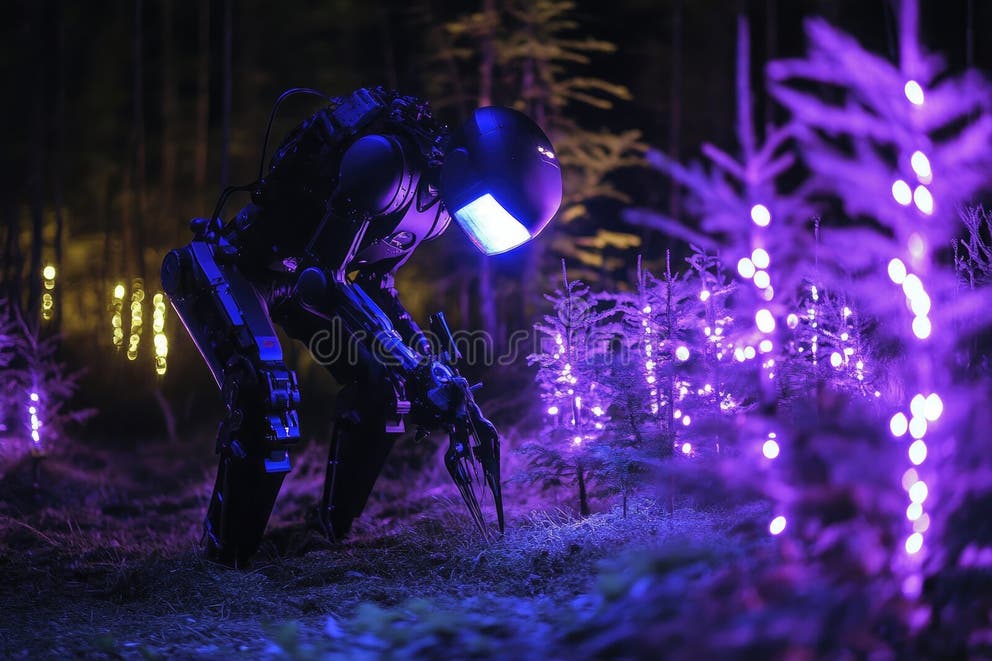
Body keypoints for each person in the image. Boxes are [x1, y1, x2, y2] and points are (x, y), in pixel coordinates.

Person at [161, 87, 562, 566]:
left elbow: (373, 282)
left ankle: (325, 537)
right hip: (236, 268)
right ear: (468, 167)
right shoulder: (384, 164)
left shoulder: (435, 213)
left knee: (383, 389)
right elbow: (324, 278)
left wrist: (424, 364)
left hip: (300, 281)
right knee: (265, 388)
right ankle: (224, 564)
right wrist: (414, 364)